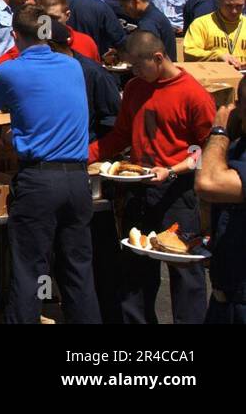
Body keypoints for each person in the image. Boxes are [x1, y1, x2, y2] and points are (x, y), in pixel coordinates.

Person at [0, 5, 100, 323]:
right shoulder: (72, 67)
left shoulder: (10, 71)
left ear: (15, 36)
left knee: (28, 270)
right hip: (77, 179)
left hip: (40, 180)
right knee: (78, 271)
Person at [89, 30, 213, 324]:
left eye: (136, 66)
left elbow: (204, 150)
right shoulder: (134, 88)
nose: (132, 72)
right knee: (135, 270)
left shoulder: (194, 94)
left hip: (178, 193)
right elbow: (120, 135)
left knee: (184, 274)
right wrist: (85, 155)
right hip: (137, 191)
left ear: (158, 58)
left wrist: (172, 169)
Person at [195, 83, 246, 322]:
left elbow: (207, 182)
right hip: (223, 298)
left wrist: (218, 132)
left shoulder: (224, 138)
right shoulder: (237, 146)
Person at [182, 0, 246, 65]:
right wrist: (218, 56)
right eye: (229, 6)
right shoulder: (201, 23)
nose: (234, 11)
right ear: (219, 1)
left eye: (239, 6)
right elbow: (189, 52)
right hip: (214, 75)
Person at [112, 0, 177, 61]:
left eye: (124, 6)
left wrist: (119, 57)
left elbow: (148, 56)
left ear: (135, 2)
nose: (124, 10)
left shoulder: (148, 24)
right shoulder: (153, 13)